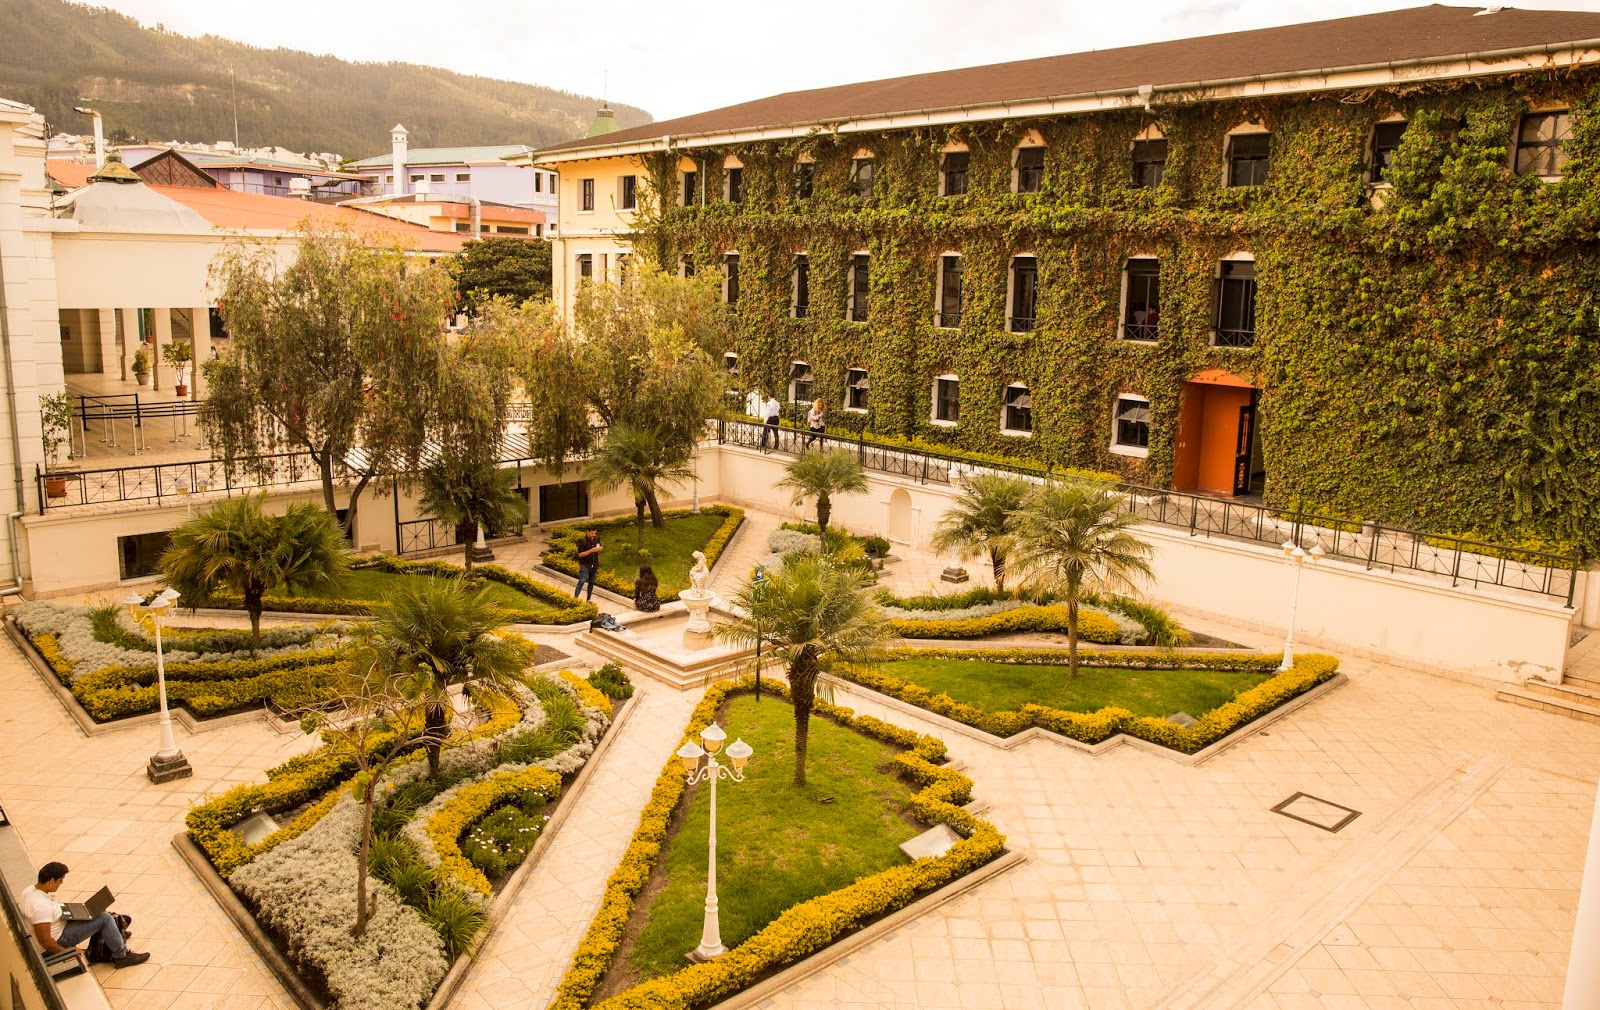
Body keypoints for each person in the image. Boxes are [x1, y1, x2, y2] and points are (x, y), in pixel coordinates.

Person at [20, 862, 148, 969]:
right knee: (105, 918)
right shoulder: (40, 907)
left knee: (96, 911)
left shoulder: (31, 890)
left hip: (61, 921)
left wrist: (75, 912)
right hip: (60, 938)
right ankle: (122, 956)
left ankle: (115, 935)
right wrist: (68, 953)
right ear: (51, 881)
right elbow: (46, 942)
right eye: (60, 880)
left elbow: (49, 913)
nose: (61, 883)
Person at [573, 527, 602, 600]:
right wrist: (591, 551)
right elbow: (580, 555)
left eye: (595, 533)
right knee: (582, 580)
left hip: (594, 563)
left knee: (591, 582)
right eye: (592, 533)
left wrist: (599, 550)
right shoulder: (582, 541)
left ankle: (588, 599)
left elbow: (597, 552)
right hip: (585, 564)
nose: (593, 535)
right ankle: (575, 598)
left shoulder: (597, 538)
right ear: (587, 532)